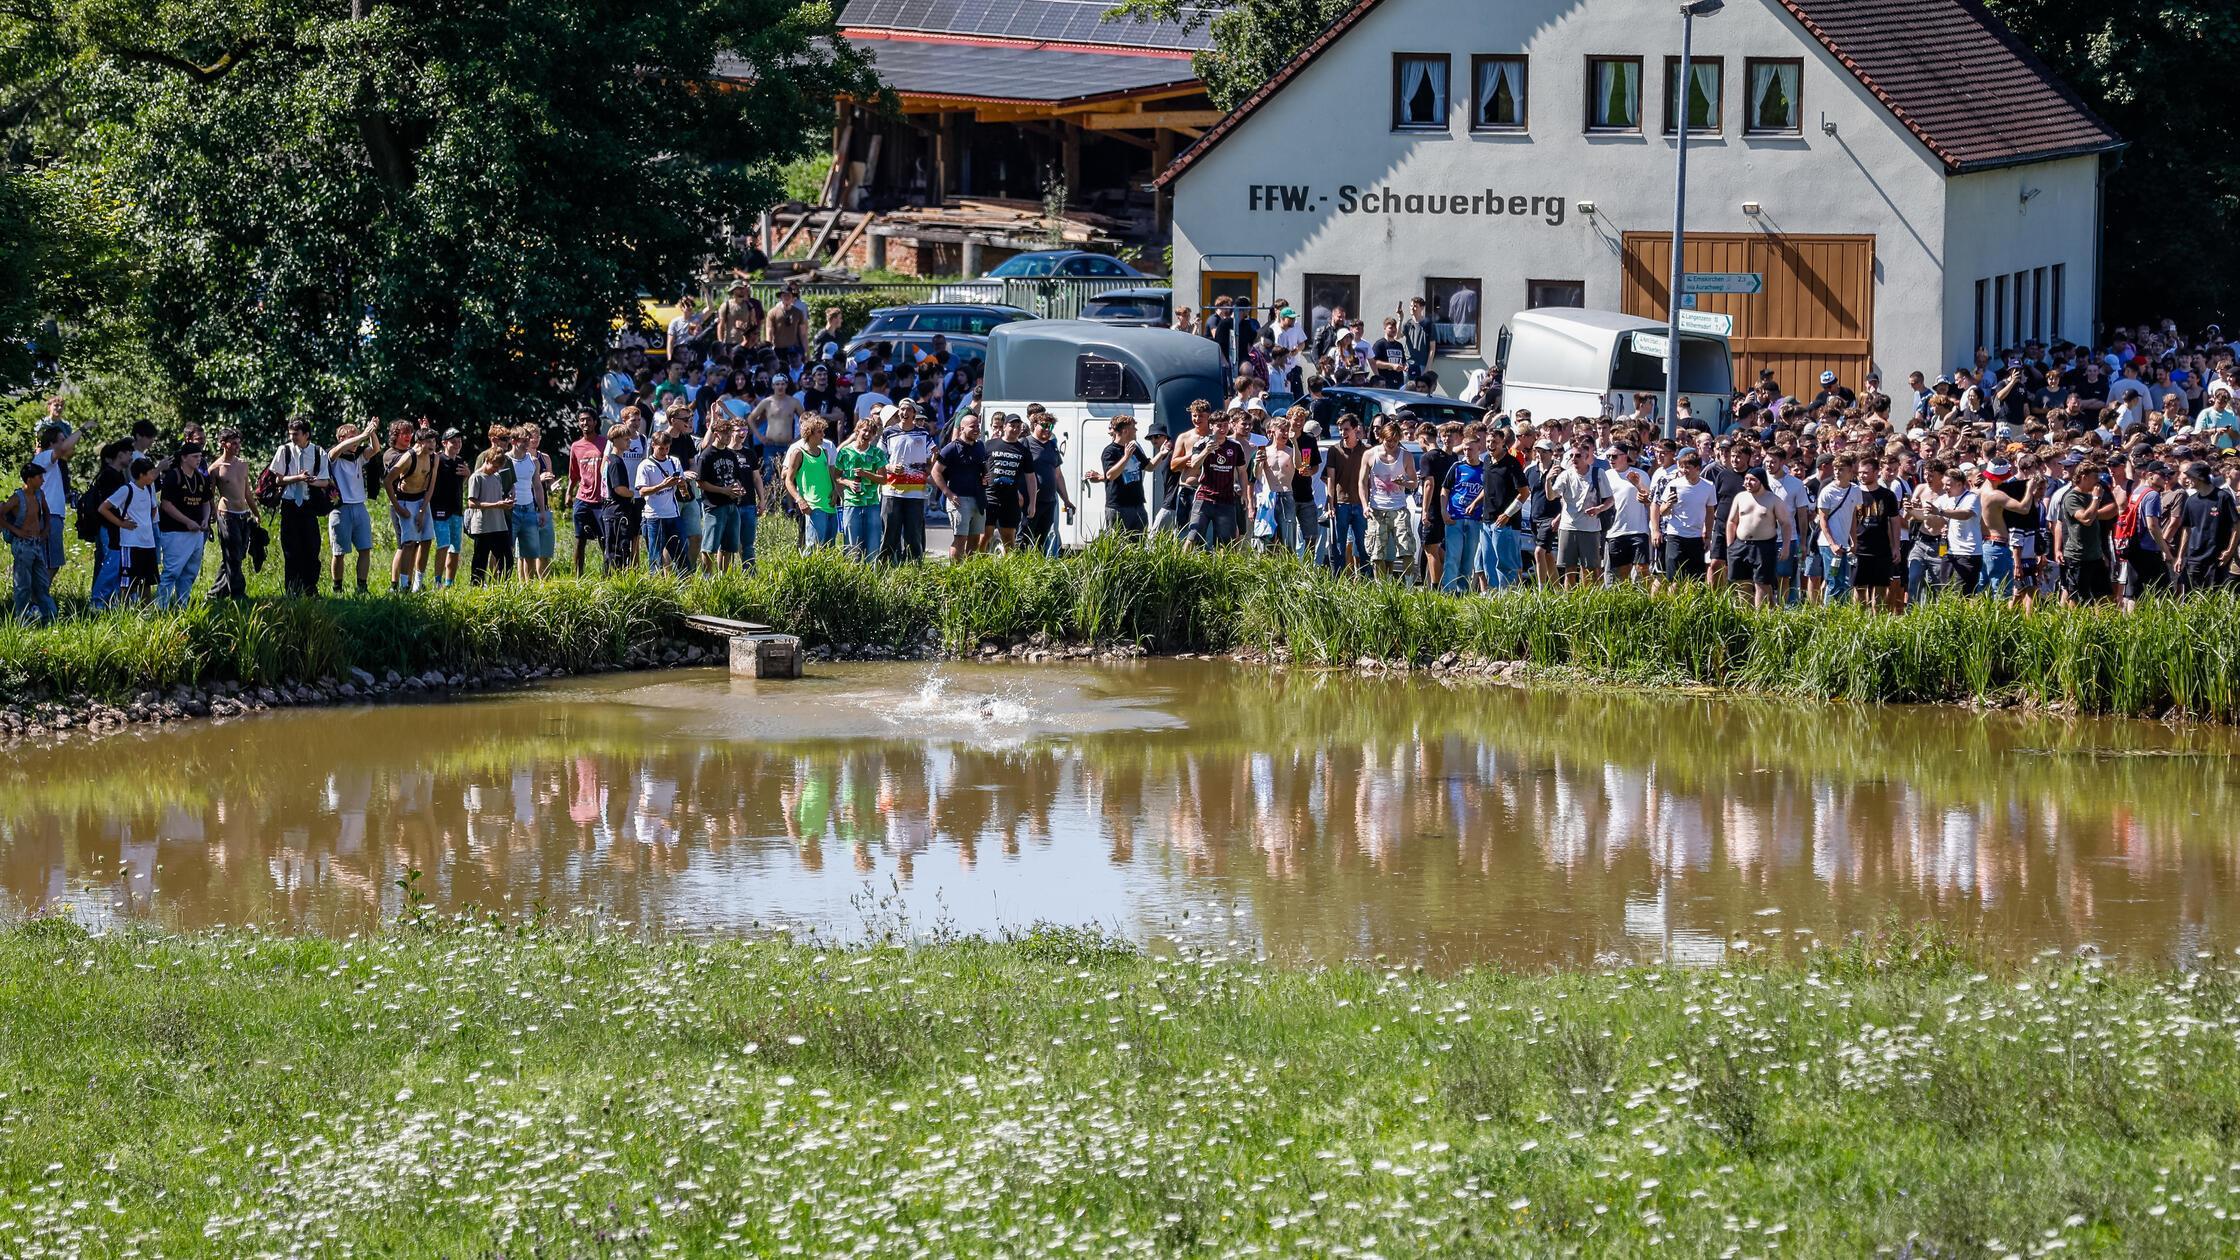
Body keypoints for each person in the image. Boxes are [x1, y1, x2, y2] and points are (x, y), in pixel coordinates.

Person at [268, 418, 331, 597]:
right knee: (291, 550)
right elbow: (278, 479)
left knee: (312, 548)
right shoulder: (284, 450)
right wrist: (298, 478)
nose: (293, 438)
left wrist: (311, 481)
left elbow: (325, 481)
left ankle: (310, 588)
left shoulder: (319, 452)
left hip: (308, 504)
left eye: (296, 434)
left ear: (306, 435)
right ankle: (292, 590)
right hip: (289, 505)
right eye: (291, 434)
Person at [2164, 461, 2237, 594]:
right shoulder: (2191, 500)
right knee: (2191, 598)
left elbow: (2236, 525)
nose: (2187, 480)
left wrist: (2229, 551)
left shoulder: (2222, 497)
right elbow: (2186, 529)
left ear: (2199, 477)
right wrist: (2180, 556)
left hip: (2216, 558)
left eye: (2190, 477)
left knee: (2215, 598)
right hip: (2194, 558)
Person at [154, 442, 212, 608]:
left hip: (197, 533)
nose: (198, 460)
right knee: (171, 572)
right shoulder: (174, 476)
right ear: (184, 458)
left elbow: (206, 502)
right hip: (175, 532)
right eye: (195, 457)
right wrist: (187, 521)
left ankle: (182, 606)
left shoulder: (200, 477)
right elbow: (166, 504)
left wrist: (205, 519)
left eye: (200, 456)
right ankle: (161, 607)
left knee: (189, 573)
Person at [694, 414, 754, 571]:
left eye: (729, 433)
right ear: (716, 434)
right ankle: (707, 578)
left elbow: (736, 478)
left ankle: (723, 578)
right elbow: (700, 483)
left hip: (732, 504)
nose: (728, 437)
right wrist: (723, 490)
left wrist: (738, 488)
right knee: (709, 547)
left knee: (729, 546)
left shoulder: (731, 454)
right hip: (714, 506)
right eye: (725, 433)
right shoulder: (706, 455)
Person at [98, 457, 160, 606]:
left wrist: (146, 523)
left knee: (147, 581)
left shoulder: (147, 489)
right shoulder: (127, 489)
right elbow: (103, 508)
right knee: (128, 582)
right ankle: (123, 611)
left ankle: (146, 612)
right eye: (151, 473)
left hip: (148, 543)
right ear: (141, 475)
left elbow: (153, 508)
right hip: (131, 543)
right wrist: (121, 523)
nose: (153, 476)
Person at [1725, 469, 1792, 607]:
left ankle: (1759, 619)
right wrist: (1730, 545)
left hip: (1764, 547)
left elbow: (1786, 524)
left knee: (1761, 584)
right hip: (1740, 545)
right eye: (1746, 479)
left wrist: (1786, 547)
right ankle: (1746, 618)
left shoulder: (1773, 499)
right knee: (1742, 583)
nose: (1747, 483)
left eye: (1752, 479)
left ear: (1761, 481)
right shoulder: (1740, 497)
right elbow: (1731, 522)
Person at [878, 403, 935, 563]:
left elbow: (933, 453)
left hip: (915, 492)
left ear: (914, 413)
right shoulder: (888, 432)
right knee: (890, 534)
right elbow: (879, 458)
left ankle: (913, 573)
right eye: (902, 409)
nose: (904, 412)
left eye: (908, 409)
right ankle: (883, 572)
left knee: (913, 536)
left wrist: (930, 465)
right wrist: (889, 467)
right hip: (892, 491)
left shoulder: (923, 433)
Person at [382, 428, 438, 593]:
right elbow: (387, 481)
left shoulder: (434, 458)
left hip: (422, 500)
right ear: (419, 442)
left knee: (427, 540)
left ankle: (418, 584)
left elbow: (431, 486)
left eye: (434, 441)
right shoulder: (408, 457)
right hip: (406, 500)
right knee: (409, 543)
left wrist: (422, 510)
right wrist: (398, 508)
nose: (432, 445)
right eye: (429, 441)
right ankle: (404, 585)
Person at [1186, 411, 1251, 548]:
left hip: (1226, 499)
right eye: (1219, 426)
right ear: (1211, 426)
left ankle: (1222, 569)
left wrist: (1244, 493)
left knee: (1226, 543)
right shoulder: (1202, 443)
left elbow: (1242, 471)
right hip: (1205, 495)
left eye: (1226, 425)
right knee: (1193, 536)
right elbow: (1194, 464)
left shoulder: (1235, 446)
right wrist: (1206, 451)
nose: (1223, 429)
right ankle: (1179, 567)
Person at [1549, 445, 1611, 588]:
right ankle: (1568, 601)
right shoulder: (1566, 475)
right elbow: (1552, 496)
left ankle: (1587, 600)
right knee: (1568, 568)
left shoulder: (1598, 473)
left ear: (1586, 456)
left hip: (1590, 528)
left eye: (1577, 455)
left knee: (1589, 568)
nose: (1573, 459)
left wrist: (1598, 509)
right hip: (1568, 526)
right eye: (1571, 456)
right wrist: (1548, 480)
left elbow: (1610, 499)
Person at [206, 430, 257, 601]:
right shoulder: (215, 468)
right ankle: (238, 592)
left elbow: (247, 492)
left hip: (243, 513)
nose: (237, 446)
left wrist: (256, 513)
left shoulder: (242, 464)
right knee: (233, 554)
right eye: (233, 443)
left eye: (238, 443)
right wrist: (212, 513)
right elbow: (210, 495)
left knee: (237, 554)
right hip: (226, 514)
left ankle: (215, 593)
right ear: (223, 443)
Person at [3, 461, 56, 623]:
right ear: (30, 479)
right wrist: (16, 530)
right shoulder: (17, 498)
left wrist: (46, 529)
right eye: (40, 477)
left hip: (36, 543)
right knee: (23, 585)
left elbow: (46, 512)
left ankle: (50, 617)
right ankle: (21, 619)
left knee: (42, 582)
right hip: (22, 545)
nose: (43, 480)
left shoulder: (40, 495)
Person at [1653, 450, 1715, 583]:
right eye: (1681, 466)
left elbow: (1710, 513)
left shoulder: (1708, 486)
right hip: (1675, 535)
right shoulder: (1674, 484)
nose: (1683, 470)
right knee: (1674, 580)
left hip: (1696, 537)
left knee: (1695, 580)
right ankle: (1672, 603)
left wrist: (1708, 536)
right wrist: (1669, 503)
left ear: (1698, 468)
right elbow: (1662, 511)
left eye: (1687, 467)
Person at [933, 411, 988, 559]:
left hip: (978, 499)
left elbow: (983, 470)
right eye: (972, 426)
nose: (976, 429)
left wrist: (985, 478)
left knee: (975, 539)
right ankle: (955, 574)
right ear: (962, 428)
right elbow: (935, 472)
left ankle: (970, 575)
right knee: (960, 539)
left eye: (978, 425)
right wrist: (948, 493)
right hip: (959, 499)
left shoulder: (980, 446)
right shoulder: (951, 448)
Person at [981, 413, 1038, 554]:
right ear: (1004, 427)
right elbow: (978, 467)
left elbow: (1031, 478)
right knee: (984, 536)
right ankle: (977, 567)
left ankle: (1007, 572)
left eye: (1018, 426)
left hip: (1010, 500)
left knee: (1009, 541)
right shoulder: (990, 445)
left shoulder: (1023, 451)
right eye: (1012, 426)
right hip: (989, 497)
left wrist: (1032, 503)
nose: (1015, 429)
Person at [636, 430, 690, 573]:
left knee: (681, 554)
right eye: (661, 448)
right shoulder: (645, 465)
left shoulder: (674, 461)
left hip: (672, 513)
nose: (664, 452)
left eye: (667, 448)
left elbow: (683, 490)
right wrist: (663, 485)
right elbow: (642, 491)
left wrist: (681, 484)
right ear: (653, 445)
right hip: (654, 516)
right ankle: (657, 588)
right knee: (655, 557)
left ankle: (685, 587)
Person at [506, 425, 556, 580]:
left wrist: (541, 511)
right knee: (508, 551)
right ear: (513, 441)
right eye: (524, 440)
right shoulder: (505, 459)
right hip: (511, 509)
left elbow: (538, 488)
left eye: (529, 439)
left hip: (529, 509)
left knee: (531, 553)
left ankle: (529, 590)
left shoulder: (534, 461)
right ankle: (504, 586)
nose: (528, 442)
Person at [1321, 415, 1369, 573]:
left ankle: (1365, 581)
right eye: (1341, 430)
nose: (1343, 433)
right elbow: (1330, 479)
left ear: (1356, 429)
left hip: (1361, 504)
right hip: (1341, 503)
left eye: (1346, 429)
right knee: (1339, 546)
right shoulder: (1335, 450)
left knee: (1363, 546)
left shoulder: (1367, 450)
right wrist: (1330, 503)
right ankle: (1339, 580)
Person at [1087, 414, 1150, 536]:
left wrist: (1163, 453)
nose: (1136, 430)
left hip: (1138, 505)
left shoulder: (1134, 448)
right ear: (1125, 431)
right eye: (1133, 428)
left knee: (1138, 543)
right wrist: (1126, 457)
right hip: (1118, 507)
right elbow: (1110, 475)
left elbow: (1149, 466)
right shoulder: (1110, 451)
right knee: (1118, 544)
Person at [834, 416, 887, 559]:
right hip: (852, 503)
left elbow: (884, 480)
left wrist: (866, 474)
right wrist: (848, 483)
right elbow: (837, 476)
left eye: (871, 432)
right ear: (857, 431)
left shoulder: (877, 453)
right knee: (851, 546)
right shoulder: (845, 452)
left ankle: (871, 577)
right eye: (865, 430)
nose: (867, 434)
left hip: (872, 503)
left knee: (873, 546)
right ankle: (852, 577)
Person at [785, 416, 840, 547]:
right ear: (809, 433)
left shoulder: (824, 452)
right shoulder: (798, 453)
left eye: (823, 431)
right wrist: (799, 499)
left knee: (829, 548)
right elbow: (788, 480)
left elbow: (829, 476)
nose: (823, 435)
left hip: (830, 506)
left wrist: (835, 491)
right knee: (813, 548)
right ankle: (808, 569)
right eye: (820, 432)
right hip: (813, 506)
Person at [564, 410, 608, 575]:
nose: (585, 423)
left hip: (601, 500)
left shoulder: (605, 443)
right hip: (582, 499)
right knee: (580, 539)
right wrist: (569, 492)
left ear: (595, 422)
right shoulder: (576, 446)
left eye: (588, 420)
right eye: (581, 420)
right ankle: (578, 577)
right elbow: (574, 473)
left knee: (604, 540)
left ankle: (608, 575)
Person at [1602, 444, 1653, 584]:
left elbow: (1649, 500)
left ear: (1625, 456)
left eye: (1614, 456)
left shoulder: (1640, 474)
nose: (1611, 459)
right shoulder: (1606, 476)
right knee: (1621, 572)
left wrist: (1637, 484)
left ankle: (1647, 601)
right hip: (1615, 531)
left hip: (1638, 529)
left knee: (1642, 569)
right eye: (1608, 457)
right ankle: (1624, 601)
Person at [1024, 412, 1074, 555]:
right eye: (1044, 425)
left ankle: (1037, 571)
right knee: (1026, 540)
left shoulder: (1052, 446)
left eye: (1050, 426)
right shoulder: (1025, 443)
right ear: (1034, 425)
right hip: (1031, 502)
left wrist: (1066, 500)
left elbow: (1058, 475)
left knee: (1041, 541)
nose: (1048, 429)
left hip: (1049, 501)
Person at [1814, 456, 1862, 603]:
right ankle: (1829, 614)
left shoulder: (1855, 490)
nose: (1837, 472)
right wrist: (1832, 543)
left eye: (1841, 469)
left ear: (1850, 472)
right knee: (1833, 581)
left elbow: (1853, 516)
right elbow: (1823, 520)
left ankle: (1842, 613)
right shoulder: (1827, 491)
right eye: (1835, 469)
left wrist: (1854, 540)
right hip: (1829, 544)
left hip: (1845, 543)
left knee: (1845, 582)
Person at [464, 448, 516, 584]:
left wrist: (506, 502)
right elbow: (472, 503)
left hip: (499, 524)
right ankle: (476, 589)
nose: (496, 470)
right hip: (483, 527)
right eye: (495, 466)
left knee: (507, 559)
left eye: (499, 467)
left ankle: (503, 587)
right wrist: (496, 505)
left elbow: (497, 496)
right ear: (487, 460)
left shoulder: (497, 477)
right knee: (480, 563)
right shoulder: (476, 477)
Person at [427, 430, 468, 588]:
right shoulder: (437, 459)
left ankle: (449, 584)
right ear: (444, 443)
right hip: (439, 510)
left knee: (455, 549)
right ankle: (437, 582)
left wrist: (468, 475)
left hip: (457, 510)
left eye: (459, 441)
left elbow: (459, 484)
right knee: (443, 545)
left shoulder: (461, 461)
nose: (457, 444)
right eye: (453, 441)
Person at [600, 419, 643, 571]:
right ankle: (616, 579)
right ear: (615, 440)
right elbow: (619, 489)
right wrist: (633, 493)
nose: (629, 443)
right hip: (617, 510)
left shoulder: (610, 461)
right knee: (618, 549)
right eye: (625, 439)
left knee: (613, 548)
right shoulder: (616, 462)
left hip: (609, 508)